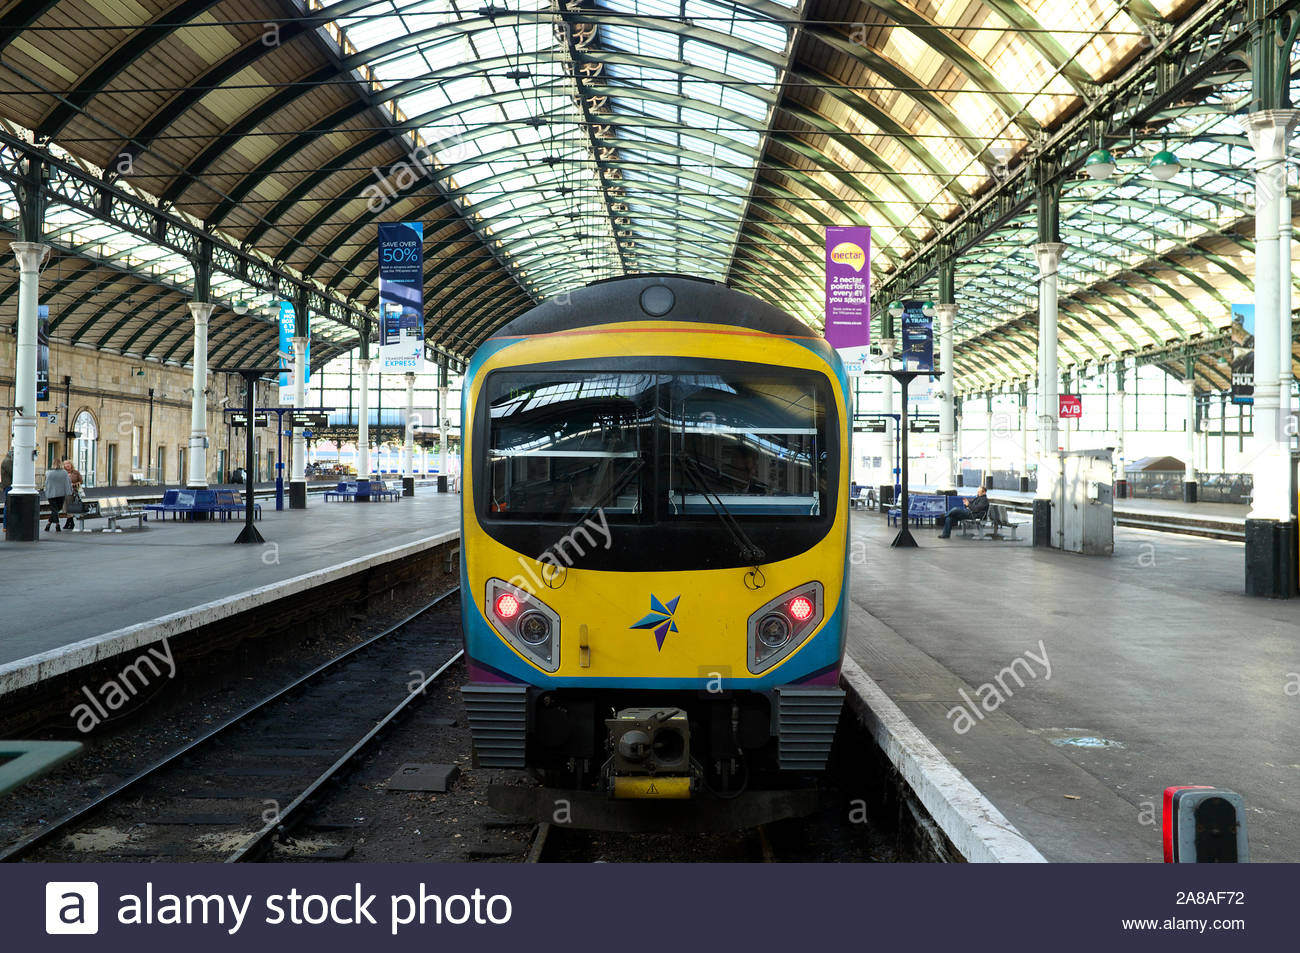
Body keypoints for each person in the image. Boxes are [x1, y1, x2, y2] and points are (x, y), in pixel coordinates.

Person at [43, 461, 72, 533]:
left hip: (51, 494)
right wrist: (69, 491)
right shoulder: (64, 473)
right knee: (57, 509)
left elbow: (46, 483)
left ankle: (49, 524)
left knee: (54, 509)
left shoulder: (48, 472)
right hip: (61, 494)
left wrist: (45, 490)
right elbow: (68, 482)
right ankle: (57, 524)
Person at [61, 458, 82, 530]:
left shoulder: (76, 472)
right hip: (64, 492)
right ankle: (70, 522)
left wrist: (75, 484)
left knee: (70, 507)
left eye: (68, 464)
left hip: (73, 492)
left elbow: (81, 481)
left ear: (71, 465)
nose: (67, 465)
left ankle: (70, 523)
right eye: (65, 464)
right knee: (66, 507)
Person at [2, 448, 12, 531]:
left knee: (8, 504)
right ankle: (5, 525)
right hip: (9, 486)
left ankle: (6, 525)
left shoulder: (8, 460)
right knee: (8, 504)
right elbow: (13, 472)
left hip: (9, 485)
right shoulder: (7, 461)